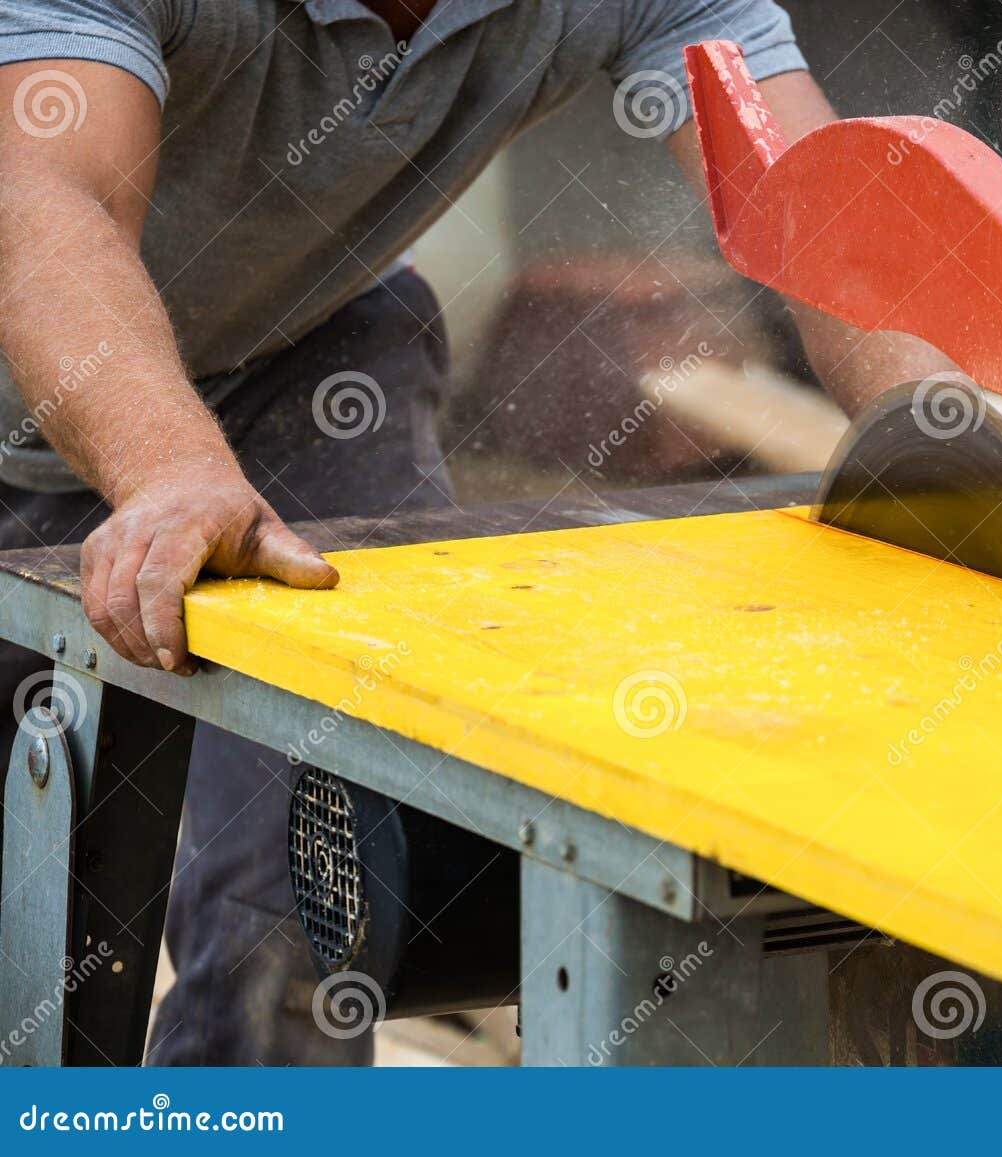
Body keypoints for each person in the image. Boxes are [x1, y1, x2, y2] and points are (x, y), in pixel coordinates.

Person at [0, 0, 943, 1064]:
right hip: (44, 367)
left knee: (318, 884)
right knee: (32, 943)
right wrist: (169, 468)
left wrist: (960, 448)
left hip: (306, 362)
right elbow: (46, 207)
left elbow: (814, 209)